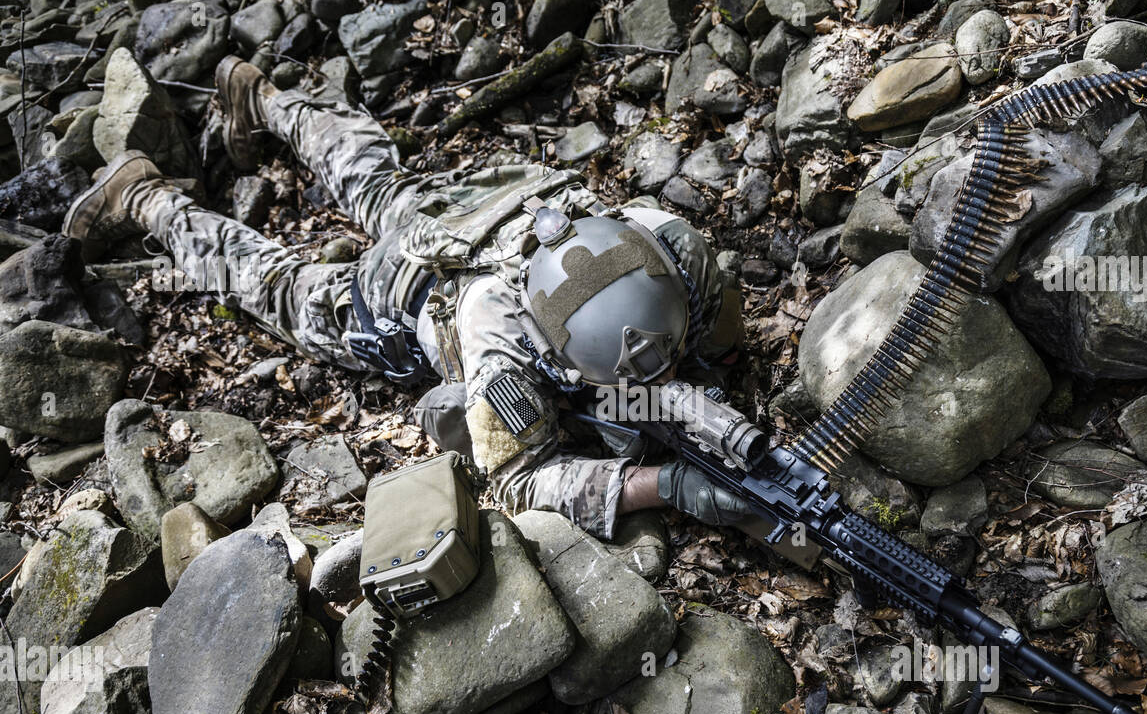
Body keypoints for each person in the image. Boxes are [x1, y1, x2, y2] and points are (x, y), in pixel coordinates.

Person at [63, 56, 750, 540]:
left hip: (497, 200)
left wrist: (707, 393)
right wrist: (664, 488)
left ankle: (262, 97)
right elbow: (519, 482)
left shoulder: (672, 249)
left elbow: (718, 339)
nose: (659, 380)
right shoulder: (497, 336)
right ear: (555, 350)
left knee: (379, 187)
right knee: (289, 292)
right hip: (414, 288)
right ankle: (144, 197)